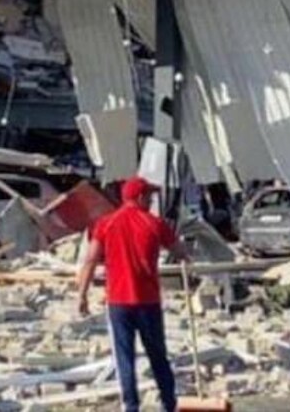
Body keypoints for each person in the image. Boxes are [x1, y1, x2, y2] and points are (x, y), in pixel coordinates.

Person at [77, 177, 190, 412]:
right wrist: (185, 254)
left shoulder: (106, 223)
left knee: (125, 358)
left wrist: (82, 294)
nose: (151, 200)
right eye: (149, 196)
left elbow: (90, 260)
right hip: (147, 301)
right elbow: (180, 252)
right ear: (139, 197)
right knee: (158, 355)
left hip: (118, 302)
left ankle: (131, 406)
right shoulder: (154, 223)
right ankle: (168, 404)